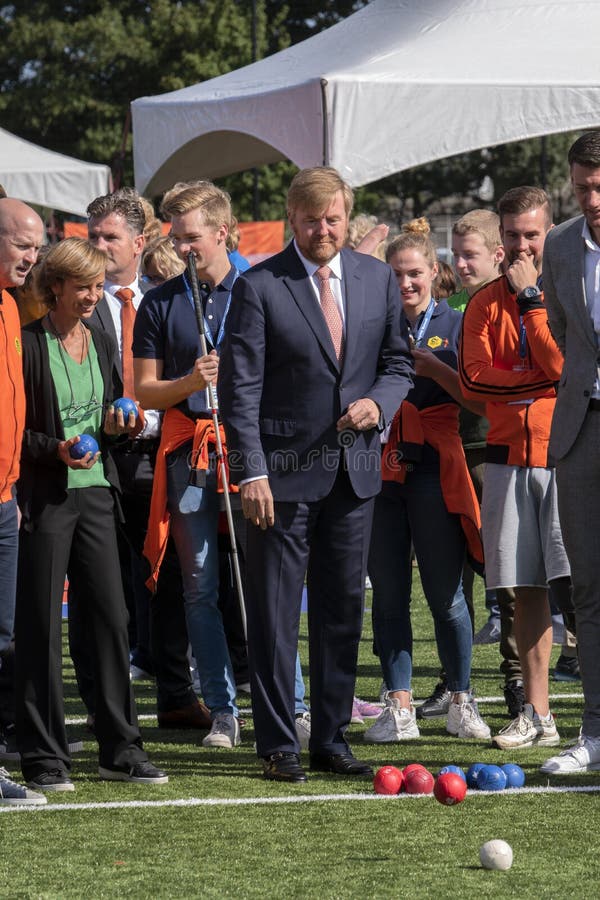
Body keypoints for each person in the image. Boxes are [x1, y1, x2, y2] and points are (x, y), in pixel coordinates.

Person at [219, 166, 414, 782]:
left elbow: (398, 364)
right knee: (275, 617)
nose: (323, 230)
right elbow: (239, 390)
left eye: (333, 219)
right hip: (278, 481)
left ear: (346, 217)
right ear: (291, 218)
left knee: (342, 611)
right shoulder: (259, 286)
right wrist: (250, 473)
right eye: (312, 220)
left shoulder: (376, 278)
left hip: (354, 476)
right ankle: (279, 743)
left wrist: (379, 403)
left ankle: (330, 737)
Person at [14, 237, 167, 790]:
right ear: (55, 286)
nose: (93, 296)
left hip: (98, 493)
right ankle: (43, 755)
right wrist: (53, 449)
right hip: (45, 498)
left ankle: (121, 750)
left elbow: (106, 420)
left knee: (111, 620)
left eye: (98, 287)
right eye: (83, 287)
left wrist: (120, 425)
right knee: (39, 626)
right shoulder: (27, 344)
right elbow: (14, 430)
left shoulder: (101, 339)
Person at [83, 188, 211, 731]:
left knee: (170, 574)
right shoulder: (79, 304)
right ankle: (107, 705)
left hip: (163, 453)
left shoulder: (167, 300)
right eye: (92, 236)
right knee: (103, 584)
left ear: (140, 242)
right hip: (100, 457)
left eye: (109, 236)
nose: (98, 245)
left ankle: (176, 694)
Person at [364, 219, 490, 744]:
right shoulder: (373, 325)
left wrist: (435, 369)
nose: (406, 283)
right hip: (381, 465)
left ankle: (461, 699)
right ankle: (398, 705)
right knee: (389, 593)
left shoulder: (457, 323)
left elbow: (478, 399)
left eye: (414, 273)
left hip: (437, 465)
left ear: (434, 273)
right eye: (396, 275)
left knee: (446, 594)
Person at [459, 186, 571, 751]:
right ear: (499, 238)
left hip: (564, 456)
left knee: (582, 588)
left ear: (549, 232)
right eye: (512, 235)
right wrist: (544, 383)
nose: (522, 245)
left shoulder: (568, 291)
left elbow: (564, 364)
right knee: (524, 591)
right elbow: (474, 380)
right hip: (506, 460)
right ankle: (537, 713)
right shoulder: (482, 302)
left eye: (531, 234)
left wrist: (531, 301)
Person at [134, 180, 243, 750]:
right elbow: (145, 390)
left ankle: (291, 704)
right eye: (176, 237)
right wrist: (190, 381)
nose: (182, 248)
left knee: (263, 582)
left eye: (192, 237)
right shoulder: (159, 302)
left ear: (222, 232)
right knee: (200, 587)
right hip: (186, 449)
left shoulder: (258, 291)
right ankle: (222, 710)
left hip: (249, 451)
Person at [541, 131, 600, 774]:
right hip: (582, 428)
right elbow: (563, 331)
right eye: (582, 187)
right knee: (587, 587)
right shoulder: (559, 245)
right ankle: (594, 731)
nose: (592, 199)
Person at [0, 197, 46, 806]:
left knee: (3, 637)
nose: (32, 257)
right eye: (21, 245)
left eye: (36, 246)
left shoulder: (11, 308)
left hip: (3, 500)